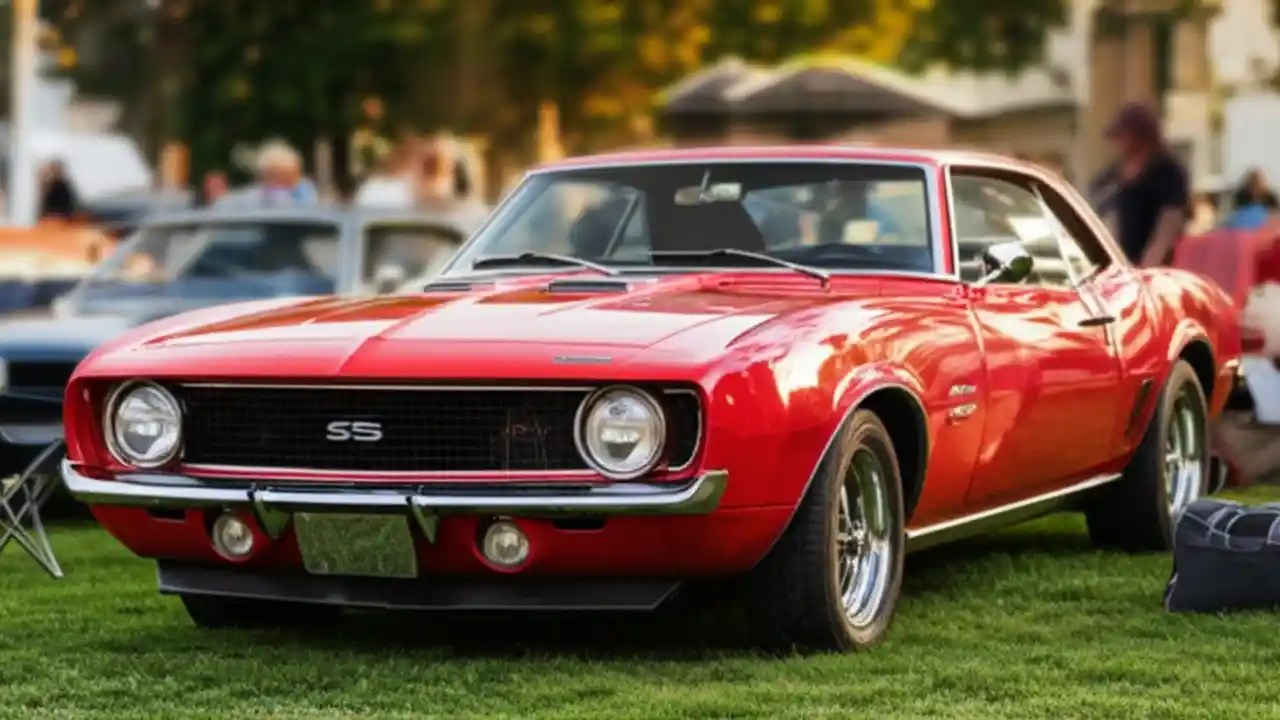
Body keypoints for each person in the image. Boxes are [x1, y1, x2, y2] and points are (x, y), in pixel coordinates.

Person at [1088, 103, 1189, 266]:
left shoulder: (1167, 172)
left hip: (1157, 269)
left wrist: (1149, 265)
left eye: (1122, 135)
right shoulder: (1111, 175)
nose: (1117, 142)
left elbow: (1169, 223)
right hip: (1121, 266)